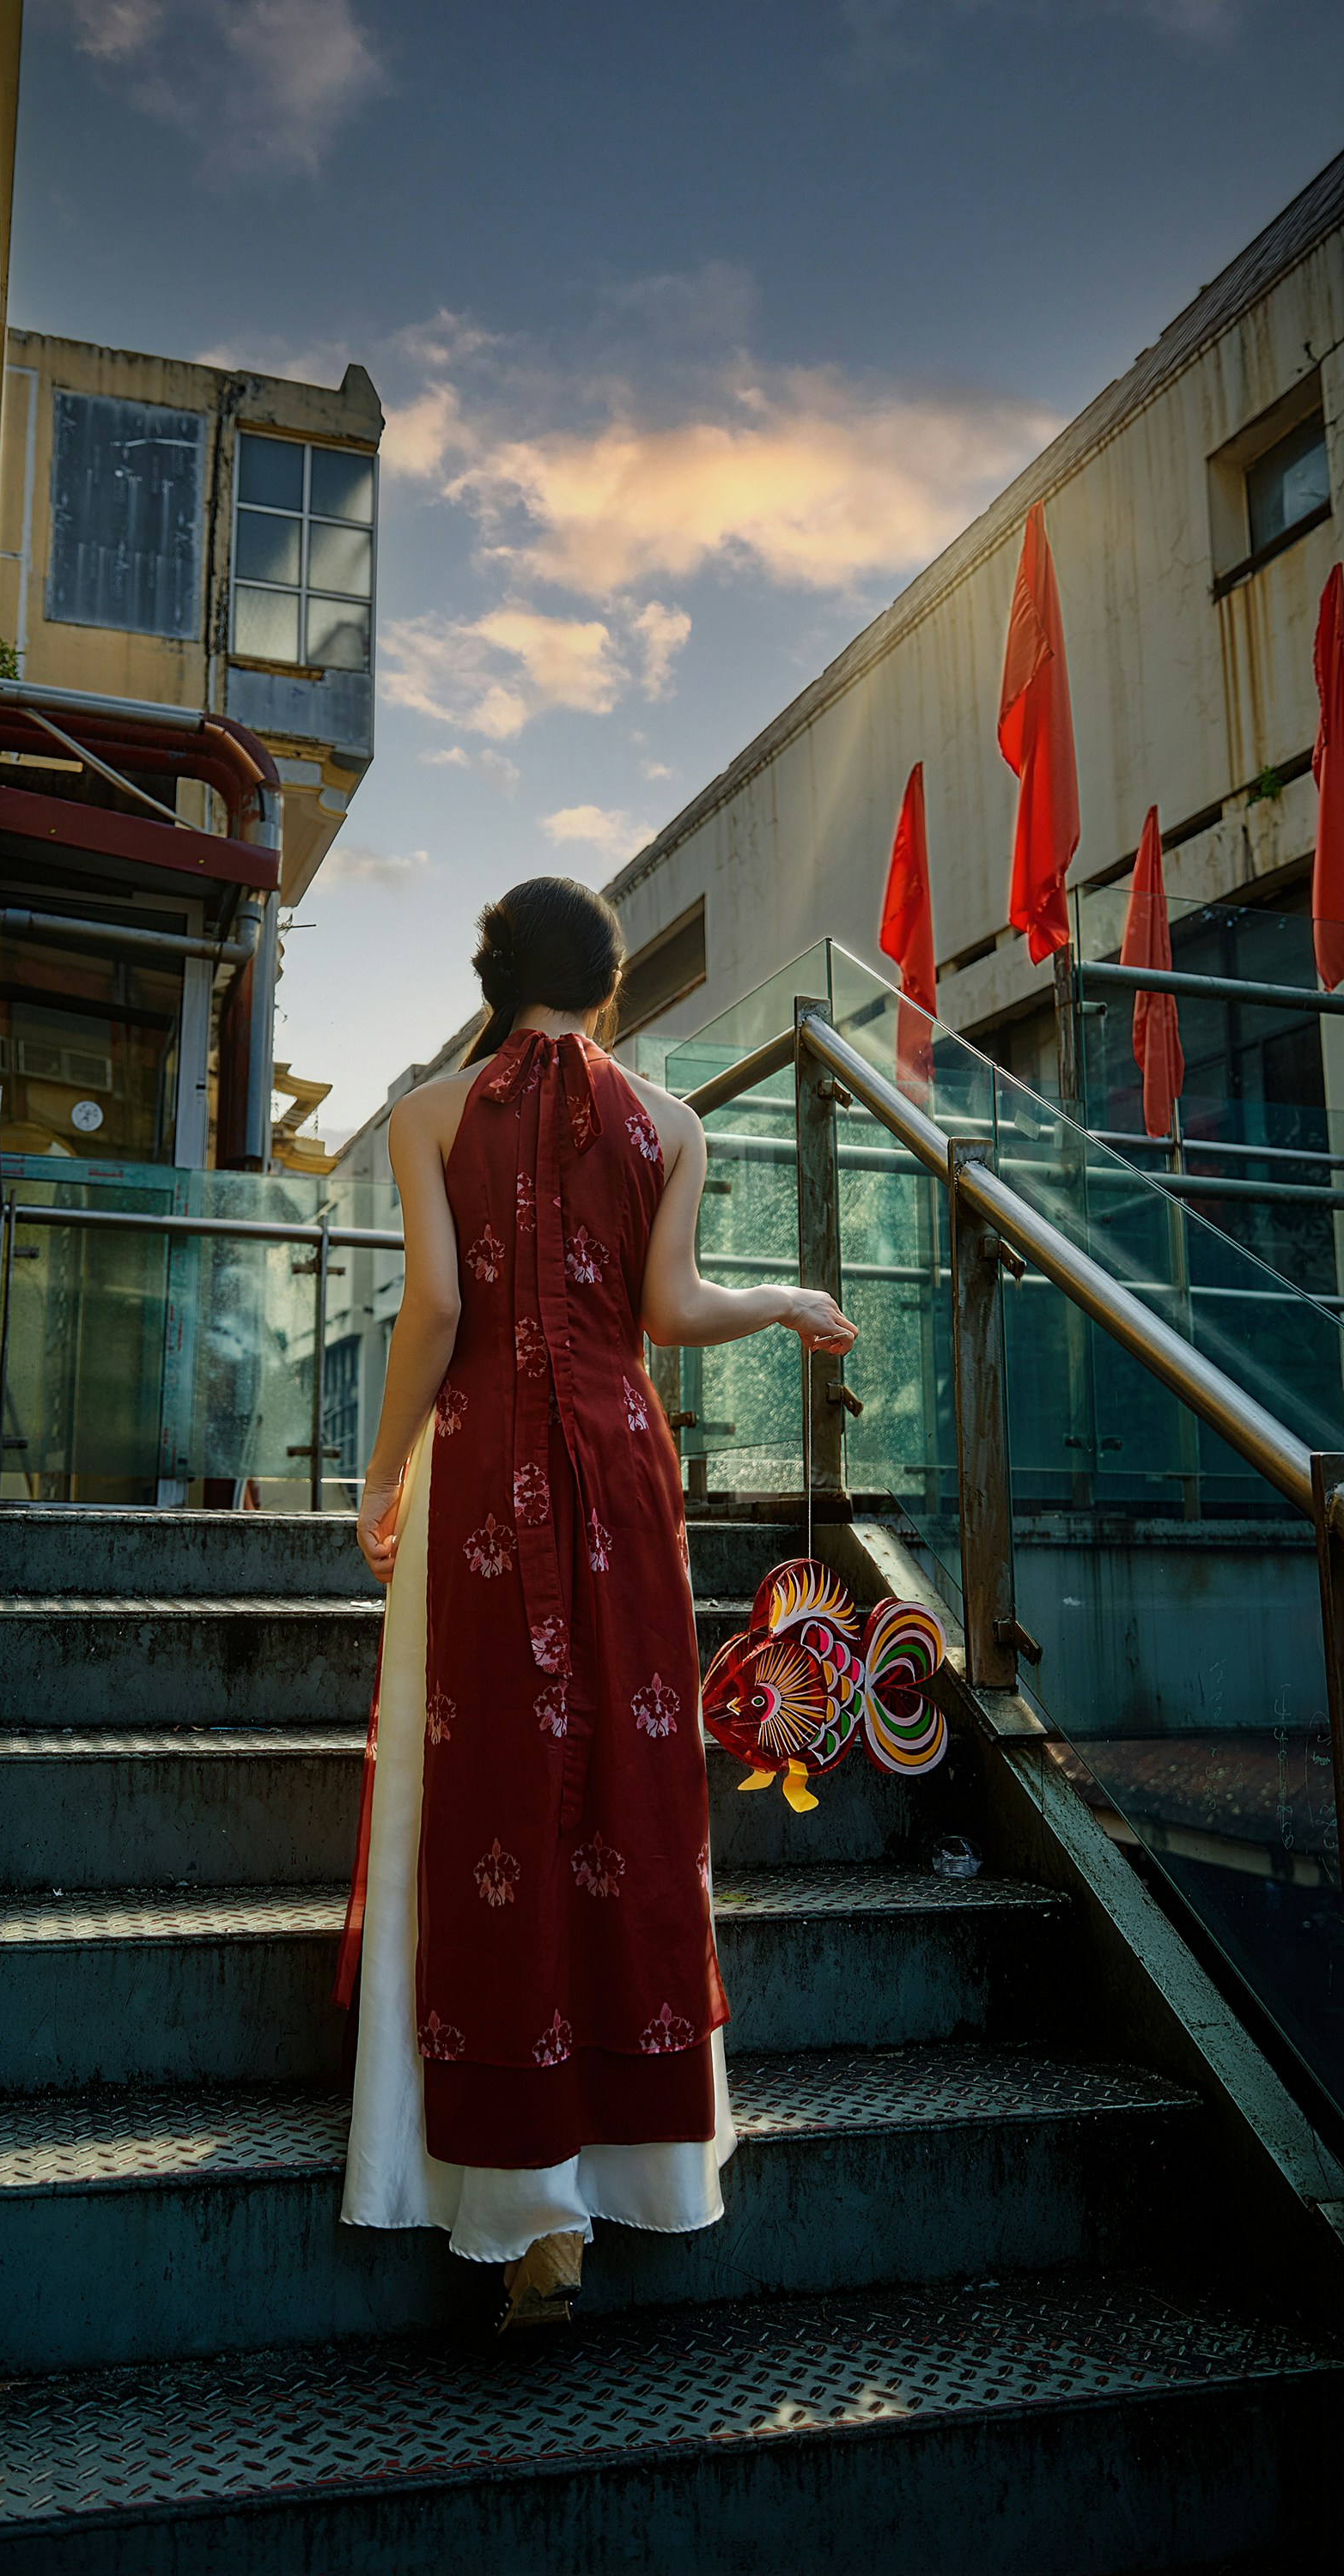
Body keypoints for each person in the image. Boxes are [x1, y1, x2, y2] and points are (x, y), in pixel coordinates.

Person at [334, 876, 855, 2330]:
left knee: (485, 1785)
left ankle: (515, 2209)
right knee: (626, 1789)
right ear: (612, 986)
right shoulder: (670, 1126)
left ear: (494, 974)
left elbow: (437, 1316)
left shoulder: (431, 1114)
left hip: (486, 1475)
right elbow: (671, 1307)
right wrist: (792, 1304)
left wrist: (380, 1478)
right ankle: (629, 2171)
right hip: (625, 1481)